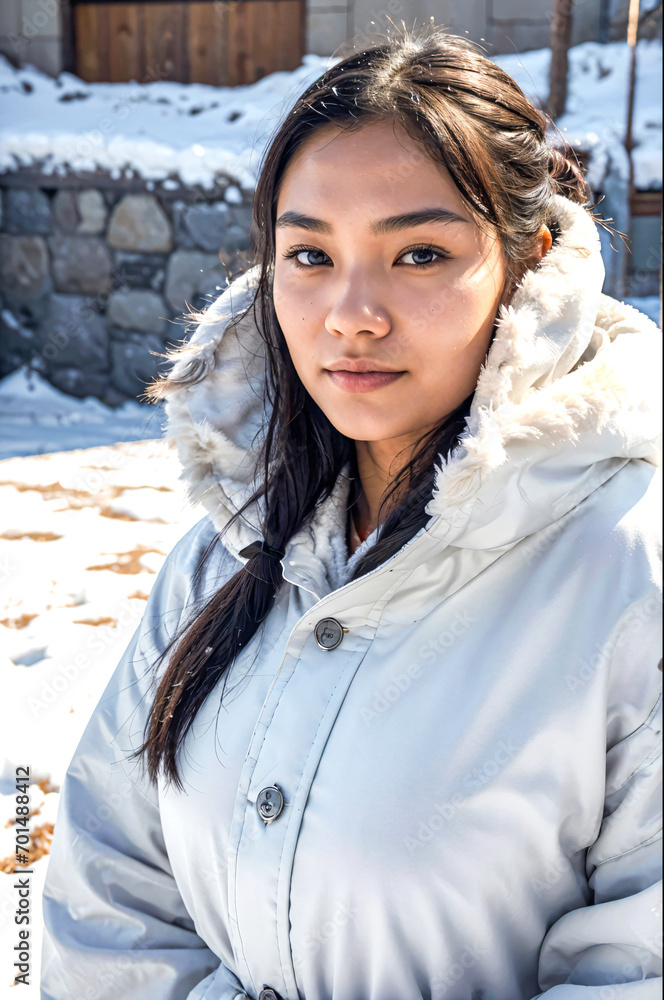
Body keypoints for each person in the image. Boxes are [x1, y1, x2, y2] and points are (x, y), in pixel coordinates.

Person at [40, 26, 662, 1000]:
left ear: (527, 261)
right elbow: (101, 898)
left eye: (418, 253)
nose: (351, 313)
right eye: (310, 254)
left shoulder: (625, 570)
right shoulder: (224, 554)